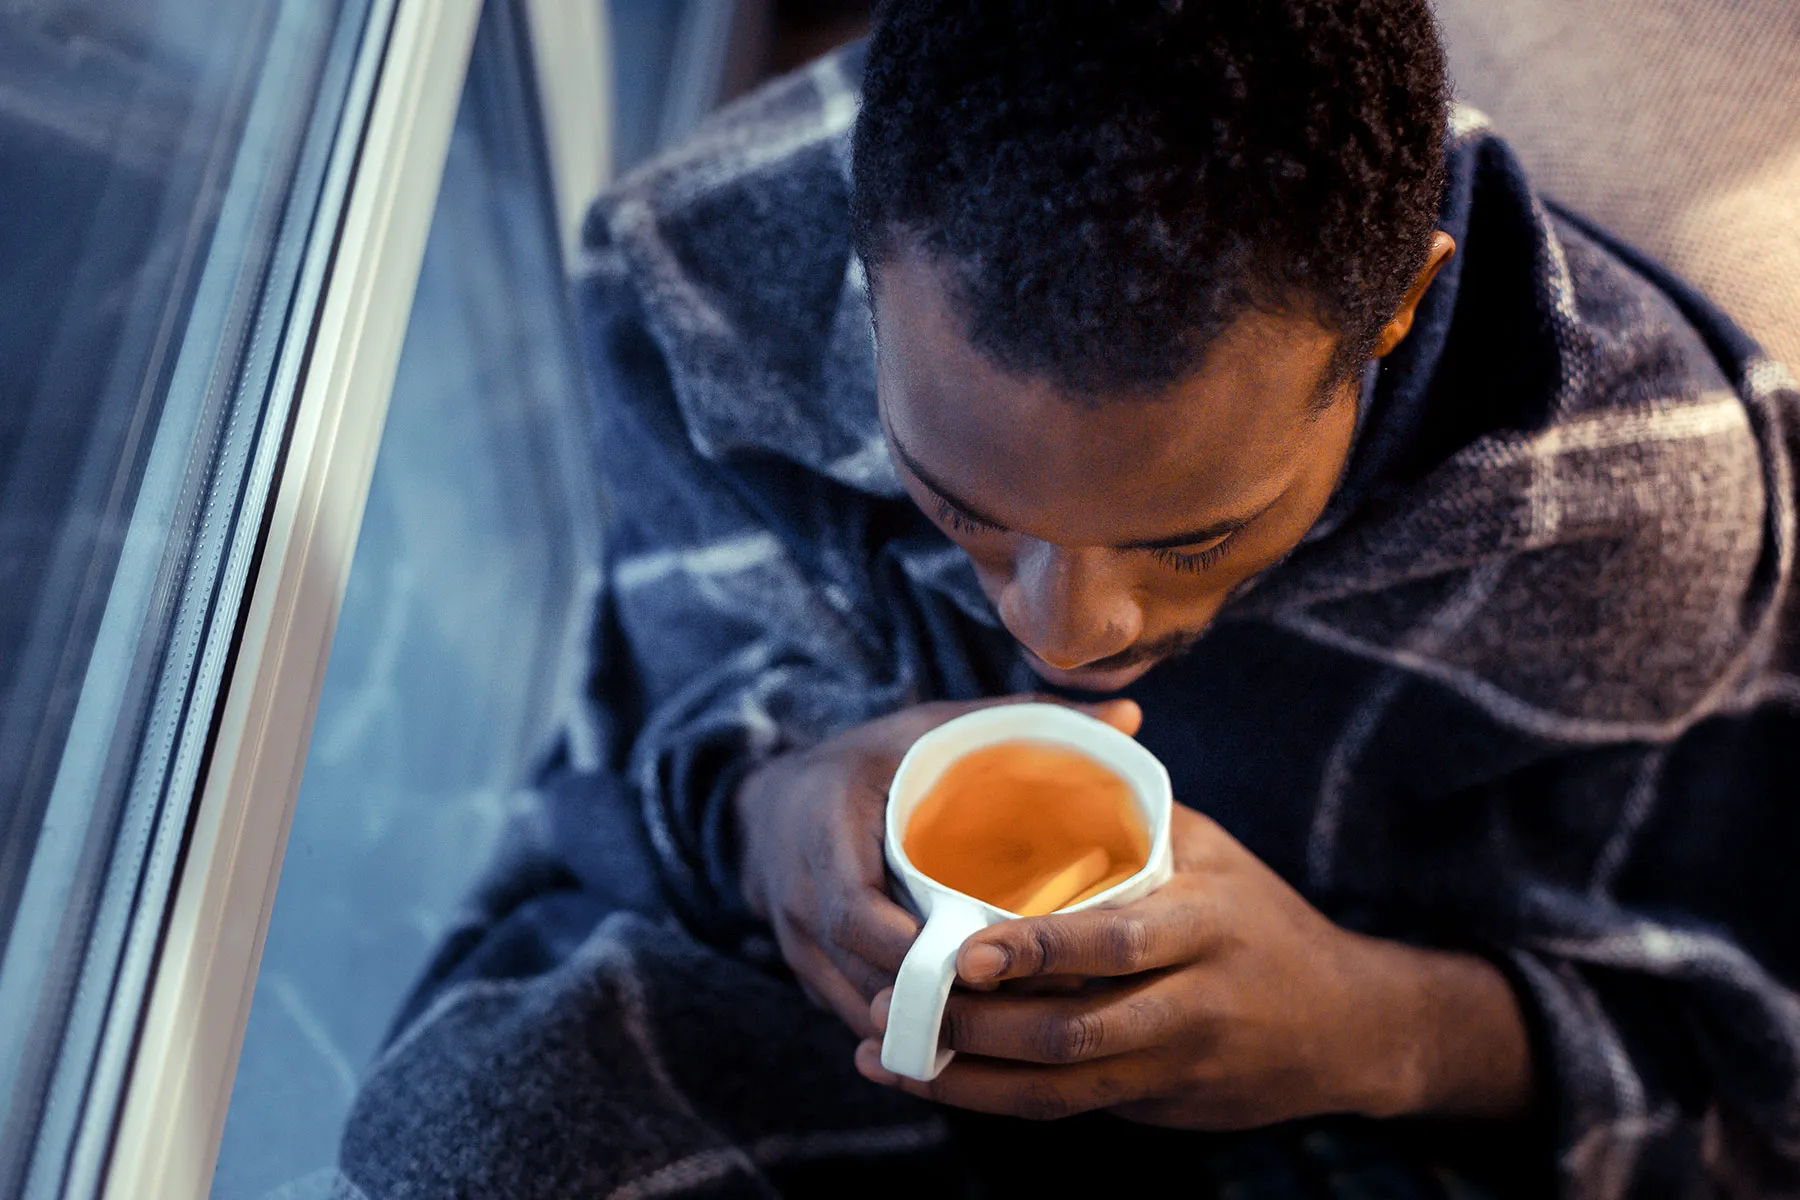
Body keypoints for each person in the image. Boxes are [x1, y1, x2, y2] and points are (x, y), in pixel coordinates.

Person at [337, 2, 1800, 1197]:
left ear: (1401, 310)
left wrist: (1382, 1031)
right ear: (862, 255)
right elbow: (664, 731)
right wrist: (767, 813)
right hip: (820, 1054)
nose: (1065, 634)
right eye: (960, 504)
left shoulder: (1636, 507)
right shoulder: (698, 284)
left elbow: (1742, 1072)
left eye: (1193, 534)